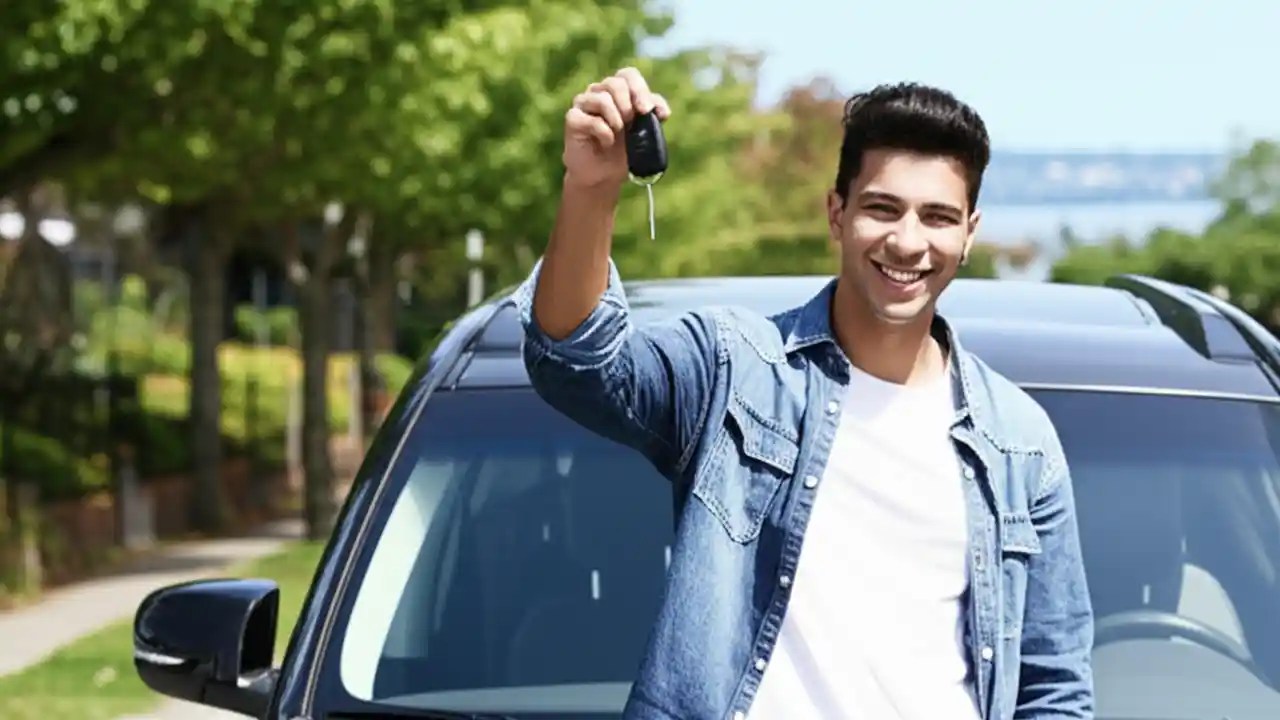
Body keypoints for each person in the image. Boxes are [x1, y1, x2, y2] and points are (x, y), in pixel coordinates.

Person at [514, 67, 1094, 720]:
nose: (908, 241)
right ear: (837, 213)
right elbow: (577, 366)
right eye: (882, 208)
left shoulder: (1018, 443)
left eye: (937, 217)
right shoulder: (737, 369)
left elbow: (1055, 688)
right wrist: (591, 190)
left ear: (968, 234)